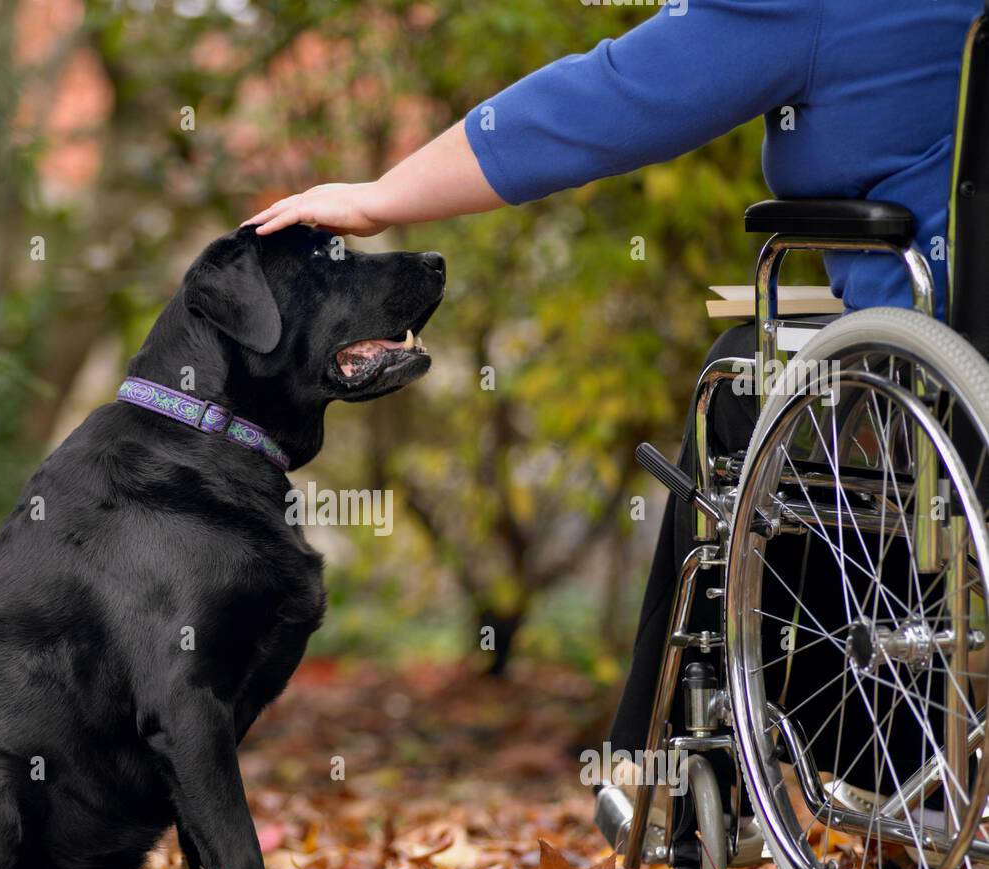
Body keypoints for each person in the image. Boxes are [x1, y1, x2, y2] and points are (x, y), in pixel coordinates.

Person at [248, 0, 984, 771]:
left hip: (931, 388)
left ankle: (674, 766)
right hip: (955, 385)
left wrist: (377, 199)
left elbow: (607, 100)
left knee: (736, 389)